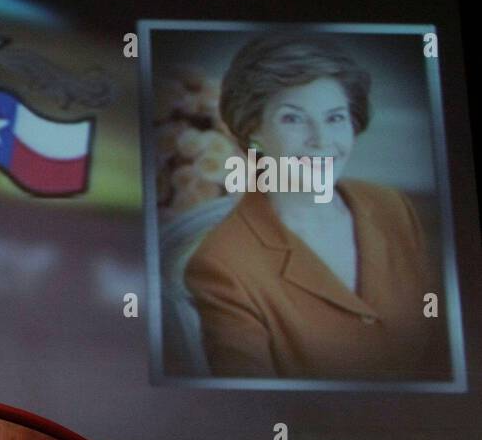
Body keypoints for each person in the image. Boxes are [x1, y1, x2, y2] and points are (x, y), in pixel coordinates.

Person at [182, 34, 449, 380]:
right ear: (252, 133)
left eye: (335, 118)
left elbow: (442, 350)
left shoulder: (392, 206)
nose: (321, 140)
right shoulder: (222, 264)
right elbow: (249, 407)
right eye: (293, 119)